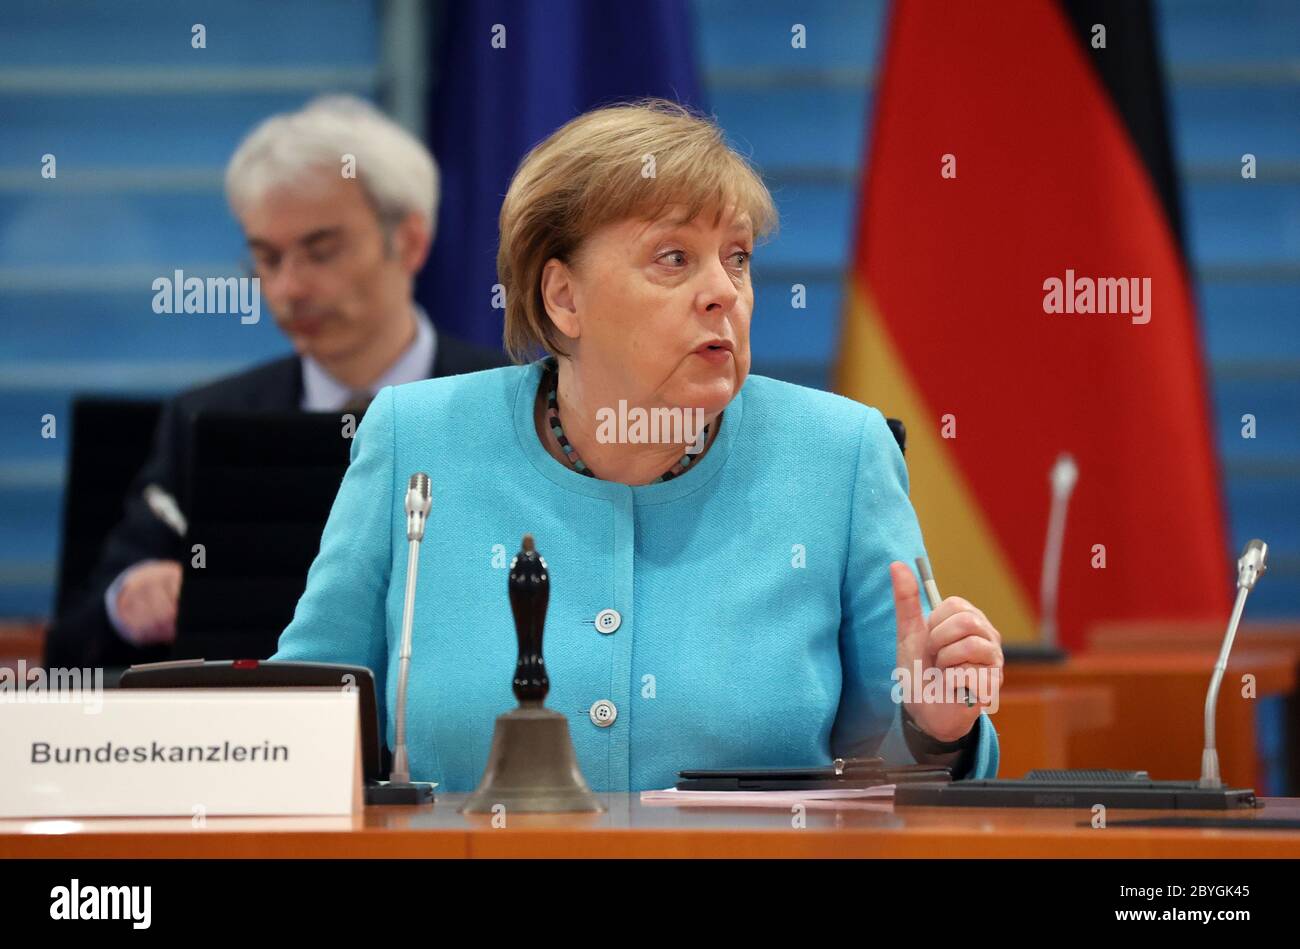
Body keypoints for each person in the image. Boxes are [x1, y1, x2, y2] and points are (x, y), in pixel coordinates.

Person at [273, 99, 1004, 792]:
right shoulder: (415, 436)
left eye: (738, 257)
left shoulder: (840, 454)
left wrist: (937, 725)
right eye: (674, 258)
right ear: (564, 298)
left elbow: (904, 770)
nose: (724, 291)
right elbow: (294, 726)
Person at [44, 96, 507, 670]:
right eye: (266, 258)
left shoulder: (507, 400)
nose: (289, 288)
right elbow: (73, 644)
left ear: (409, 242)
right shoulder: (205, 419)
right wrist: (130, 597)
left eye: (320, 252)